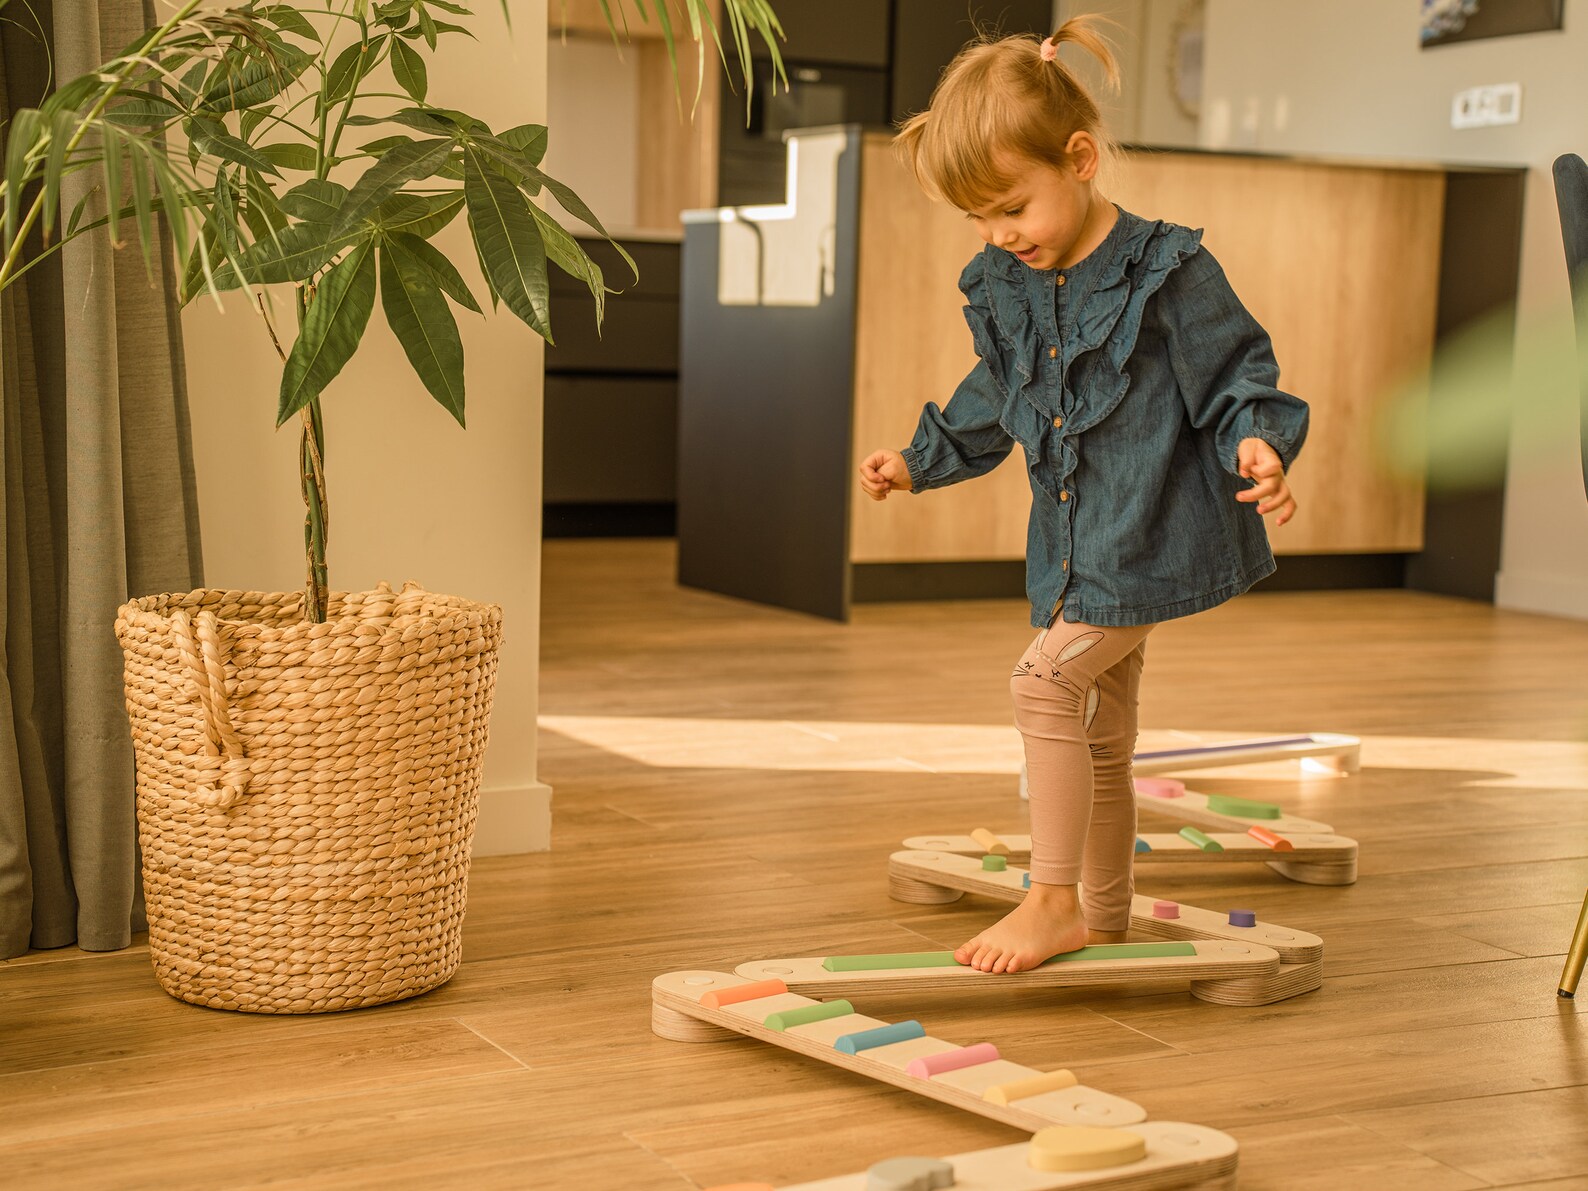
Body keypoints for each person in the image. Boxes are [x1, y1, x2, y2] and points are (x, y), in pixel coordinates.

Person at [858, 17, 1310, 975]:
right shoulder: (1006, 282)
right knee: (1104, 735)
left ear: (1081, 158)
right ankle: (1101, 913)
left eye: (1011, 206)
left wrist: (1260, 444)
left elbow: (1236, 374)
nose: (996, 235)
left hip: (1151, 534)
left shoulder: (1168, 269)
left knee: (1042, 682)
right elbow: (996, 397)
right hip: (1072, 542)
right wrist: (918, 457)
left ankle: (1051, 898)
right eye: (978, 219)